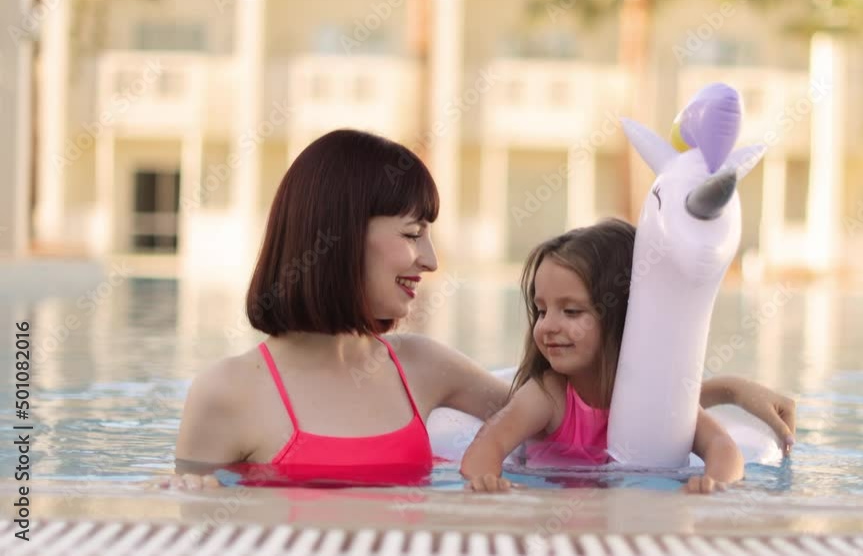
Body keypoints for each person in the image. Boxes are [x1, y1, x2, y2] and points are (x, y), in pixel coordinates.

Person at [164, 129, 796, 490]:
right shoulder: (227, 393)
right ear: (339, 234)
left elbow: (582, 412)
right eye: (412, 234)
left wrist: (725, 389)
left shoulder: (422, 367)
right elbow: (185, 508)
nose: (431, 259)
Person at [461, 220, 749, 494]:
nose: (547, 325)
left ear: (625, 317)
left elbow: (722, 446)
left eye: (571, 311)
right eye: (541, 311)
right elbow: (489, 443)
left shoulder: (658, 399)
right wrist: (486, 482)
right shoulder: (550, 395)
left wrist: (714, 484)